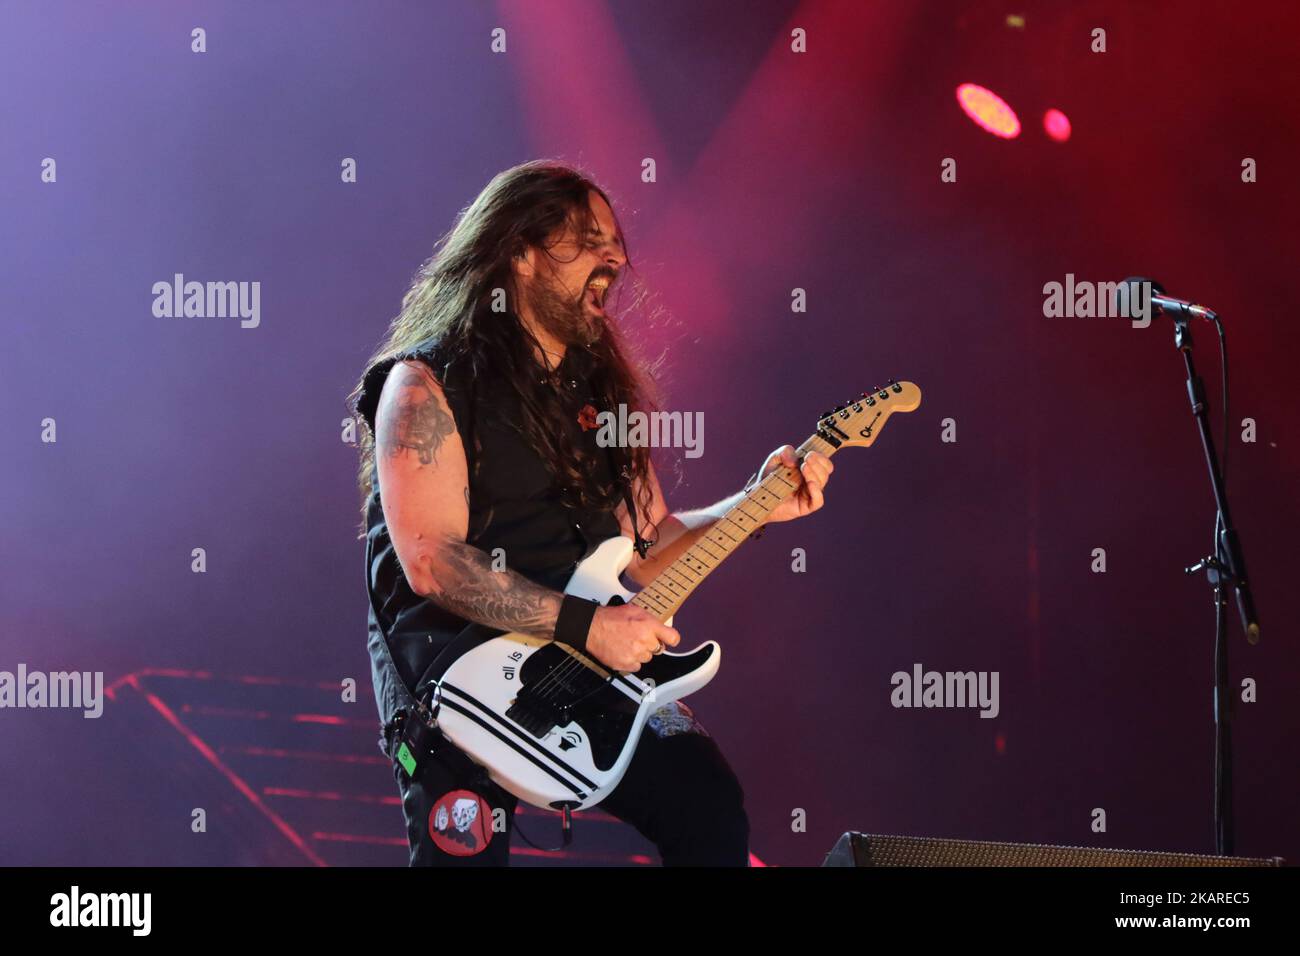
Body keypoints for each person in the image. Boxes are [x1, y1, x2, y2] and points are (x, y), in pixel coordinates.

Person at [349, 160, 834, 866]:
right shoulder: (424, 383)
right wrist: (590, 626)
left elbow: (649, 544)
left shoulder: (600, 395)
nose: (616, 257)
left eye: (615, 240)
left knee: (707, 807)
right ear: (519, 252)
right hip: (463, 691)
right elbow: (432, 560)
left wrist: (758, 505)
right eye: (586, 239)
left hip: (586, 660)